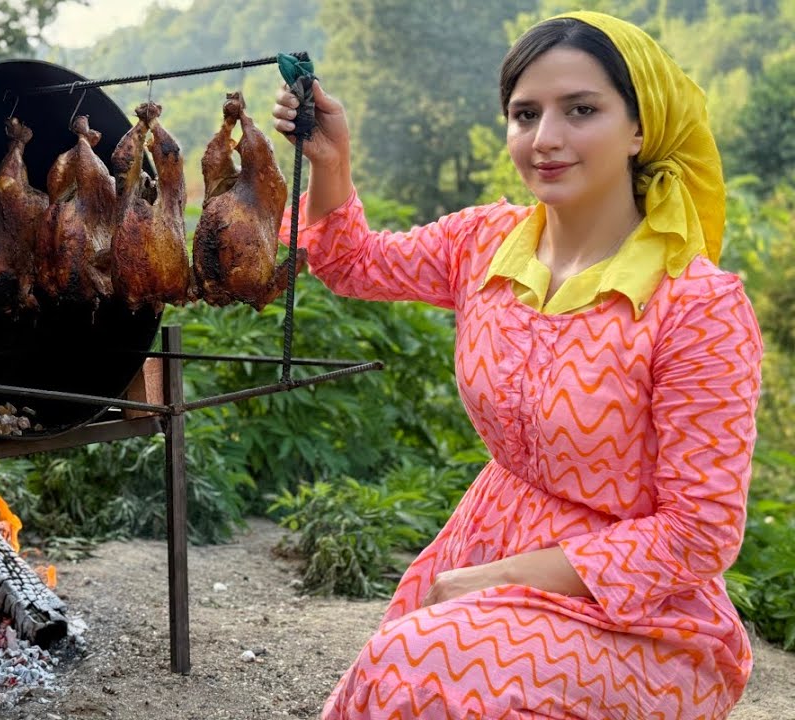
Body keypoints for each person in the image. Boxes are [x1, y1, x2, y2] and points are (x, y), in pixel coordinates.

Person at [272, 10, 762, 719]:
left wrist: (497, 580)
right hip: (488, 543)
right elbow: (351, 261)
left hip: (638, 613)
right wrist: (331, 160)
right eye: (524, 114)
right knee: (411, 671)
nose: (546, 139)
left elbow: (700, 532)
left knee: (426, 666)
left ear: (641, 128)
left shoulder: (695, 306)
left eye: (581, 110)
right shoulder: (487, 243)